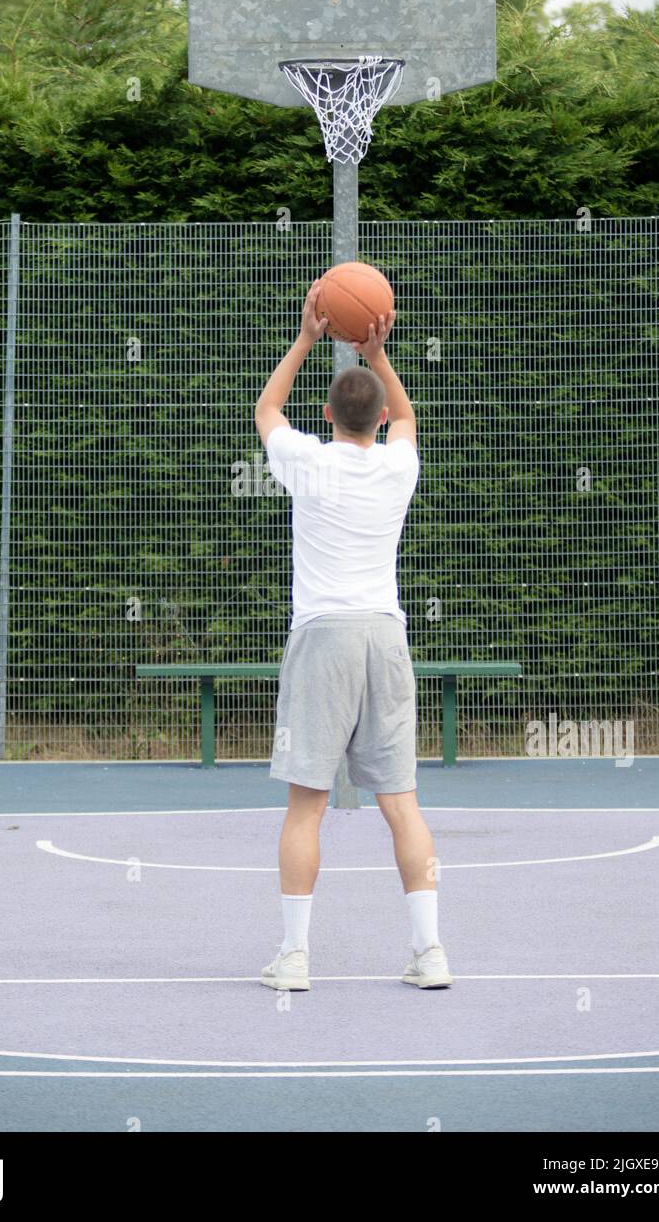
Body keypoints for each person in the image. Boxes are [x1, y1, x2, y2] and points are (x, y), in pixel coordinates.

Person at [253, 279, 452, 993]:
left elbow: (267, 407)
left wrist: (309, 337)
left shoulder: (306, 459)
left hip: (323, 635)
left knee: (307, 803)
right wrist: (378, 352)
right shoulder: (400, 464)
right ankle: (430, 953)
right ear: (377, 420)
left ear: (330, 413)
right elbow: (409, 420)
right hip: (385, 637)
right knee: (401, 802)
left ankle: (296, 958)